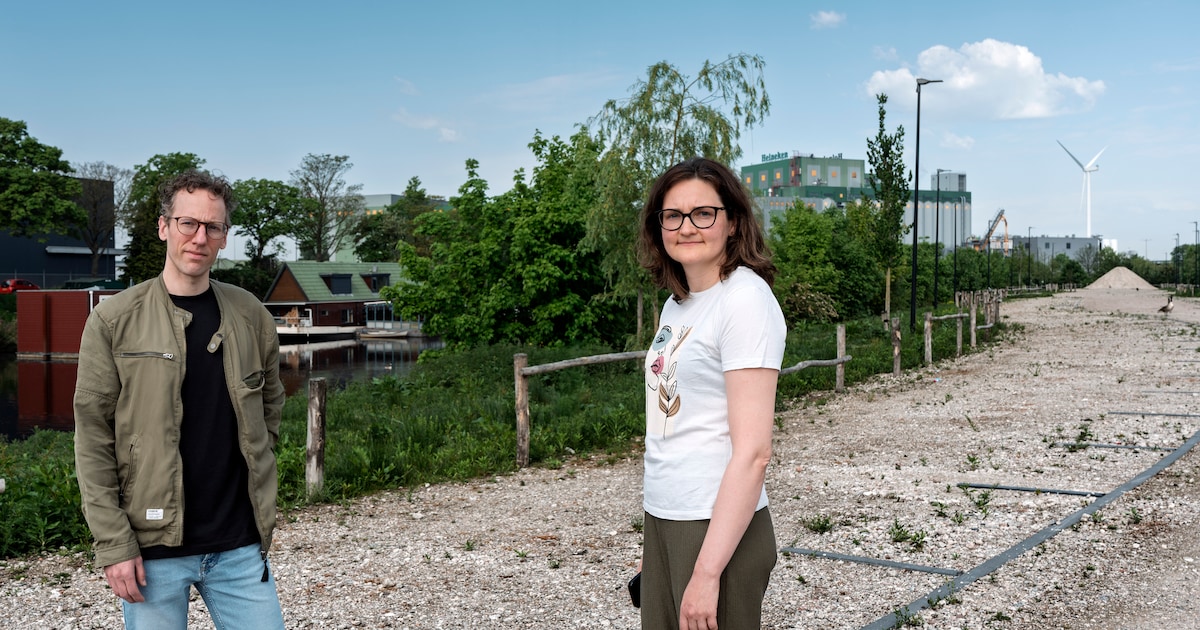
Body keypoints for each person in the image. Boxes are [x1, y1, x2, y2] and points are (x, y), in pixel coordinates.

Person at [74, 169, 286, 629]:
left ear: (224, 236)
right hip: (152, 553)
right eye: (188, 223)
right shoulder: (113, 320)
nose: (199, 237)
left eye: (213, 226)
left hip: (239, 545)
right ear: (163, 226)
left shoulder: (250, 314)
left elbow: (269, 406)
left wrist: (257, 463)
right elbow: (92, 440)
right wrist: (114, 544)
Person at [637, 157, 786, 629]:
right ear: (659, 225)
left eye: (703, 213)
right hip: (668, 516)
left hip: (714, 529)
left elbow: (754, 453)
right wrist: (654, 544)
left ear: (733, 221)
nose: (686, 226)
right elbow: (675, 430)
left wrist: (705, 572)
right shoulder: (676, 304)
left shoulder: (744, 300)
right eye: (673, 215)